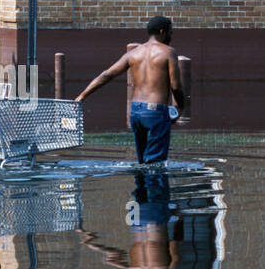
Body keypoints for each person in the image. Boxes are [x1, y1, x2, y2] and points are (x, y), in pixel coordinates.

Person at [75, 15, 185, 164]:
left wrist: (82, 96)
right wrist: (181, 106)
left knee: (142, 163)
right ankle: (155, 186)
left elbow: (107, 74)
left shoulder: (133, 53)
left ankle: (141, 187)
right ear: (162, 32)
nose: (171, 35)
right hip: (155, 112)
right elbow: (176, 86)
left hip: (135, 112)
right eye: (171, 32)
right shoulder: (168, 52)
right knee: (155, 164)